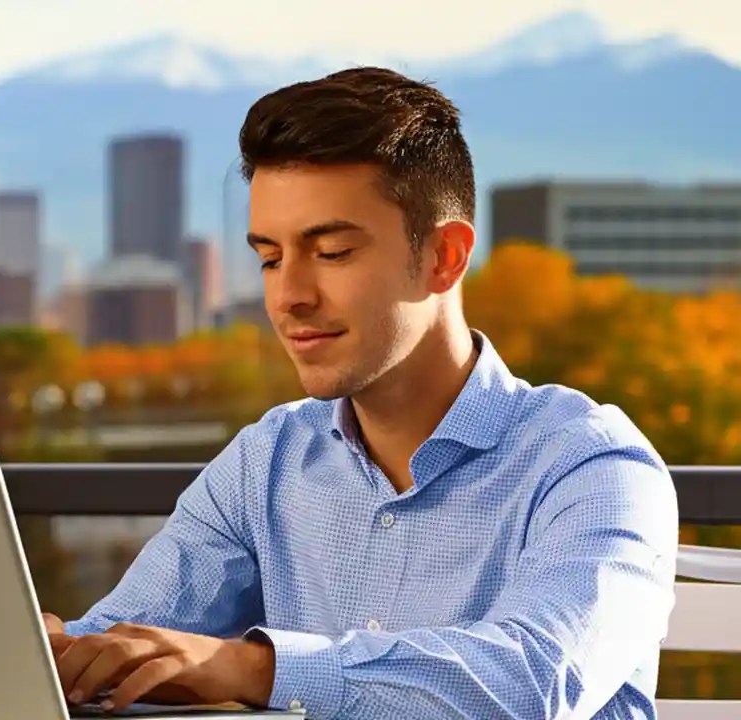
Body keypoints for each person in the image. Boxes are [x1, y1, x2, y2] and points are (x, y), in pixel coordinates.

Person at [42, 67, 679, 718]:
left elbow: (537, 679)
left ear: (444, 257)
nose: (289, 295)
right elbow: (123, 644)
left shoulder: (593, 467)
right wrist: (50, 655)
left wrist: (252, 668)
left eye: (333, 251)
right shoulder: (266, 462)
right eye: (268, 257)